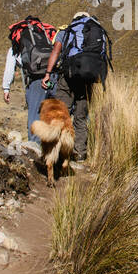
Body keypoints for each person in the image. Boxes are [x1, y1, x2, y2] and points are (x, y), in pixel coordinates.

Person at [41, 11, 112, 161]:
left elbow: (56, 51)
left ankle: (58, 150)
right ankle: (80, 153)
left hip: (68, 77)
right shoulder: (97, 31)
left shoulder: (68, 30)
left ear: (74, 20)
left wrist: (48, 73)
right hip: (87, 80)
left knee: (60, 113)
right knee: (81, 117)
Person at [2, 16, 58, 140]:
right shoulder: (47, 40)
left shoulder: (17, 47)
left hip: (35, 81)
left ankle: (35, 150)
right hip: (54, 78)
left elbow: (9, 69)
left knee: (35, 117)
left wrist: (6, 88)